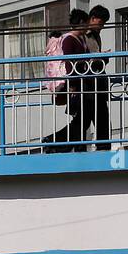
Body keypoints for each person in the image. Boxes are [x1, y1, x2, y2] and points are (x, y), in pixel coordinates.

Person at [43, 10, 94, 152]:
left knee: (82, 119)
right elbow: (68, 64)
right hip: (76, 86)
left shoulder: (81, 39)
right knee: (81, 119)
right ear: (82, 22)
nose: (88, 27)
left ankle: (65, 144)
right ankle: (55, 141)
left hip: (83, 84)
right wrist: (72, 85)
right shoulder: (68, 39)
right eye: (87, 23)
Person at [85, 5, 113, 151]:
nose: (101, 27)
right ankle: (58, 141)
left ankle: (103, 147)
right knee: (83, 121)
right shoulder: (84, 34)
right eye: (101, 23)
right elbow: (84, 61)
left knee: (101, 119)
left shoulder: (96, 35)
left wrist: (102, 57)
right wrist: (101, 57)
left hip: (98, 82)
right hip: (88, 85)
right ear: (93, 18)